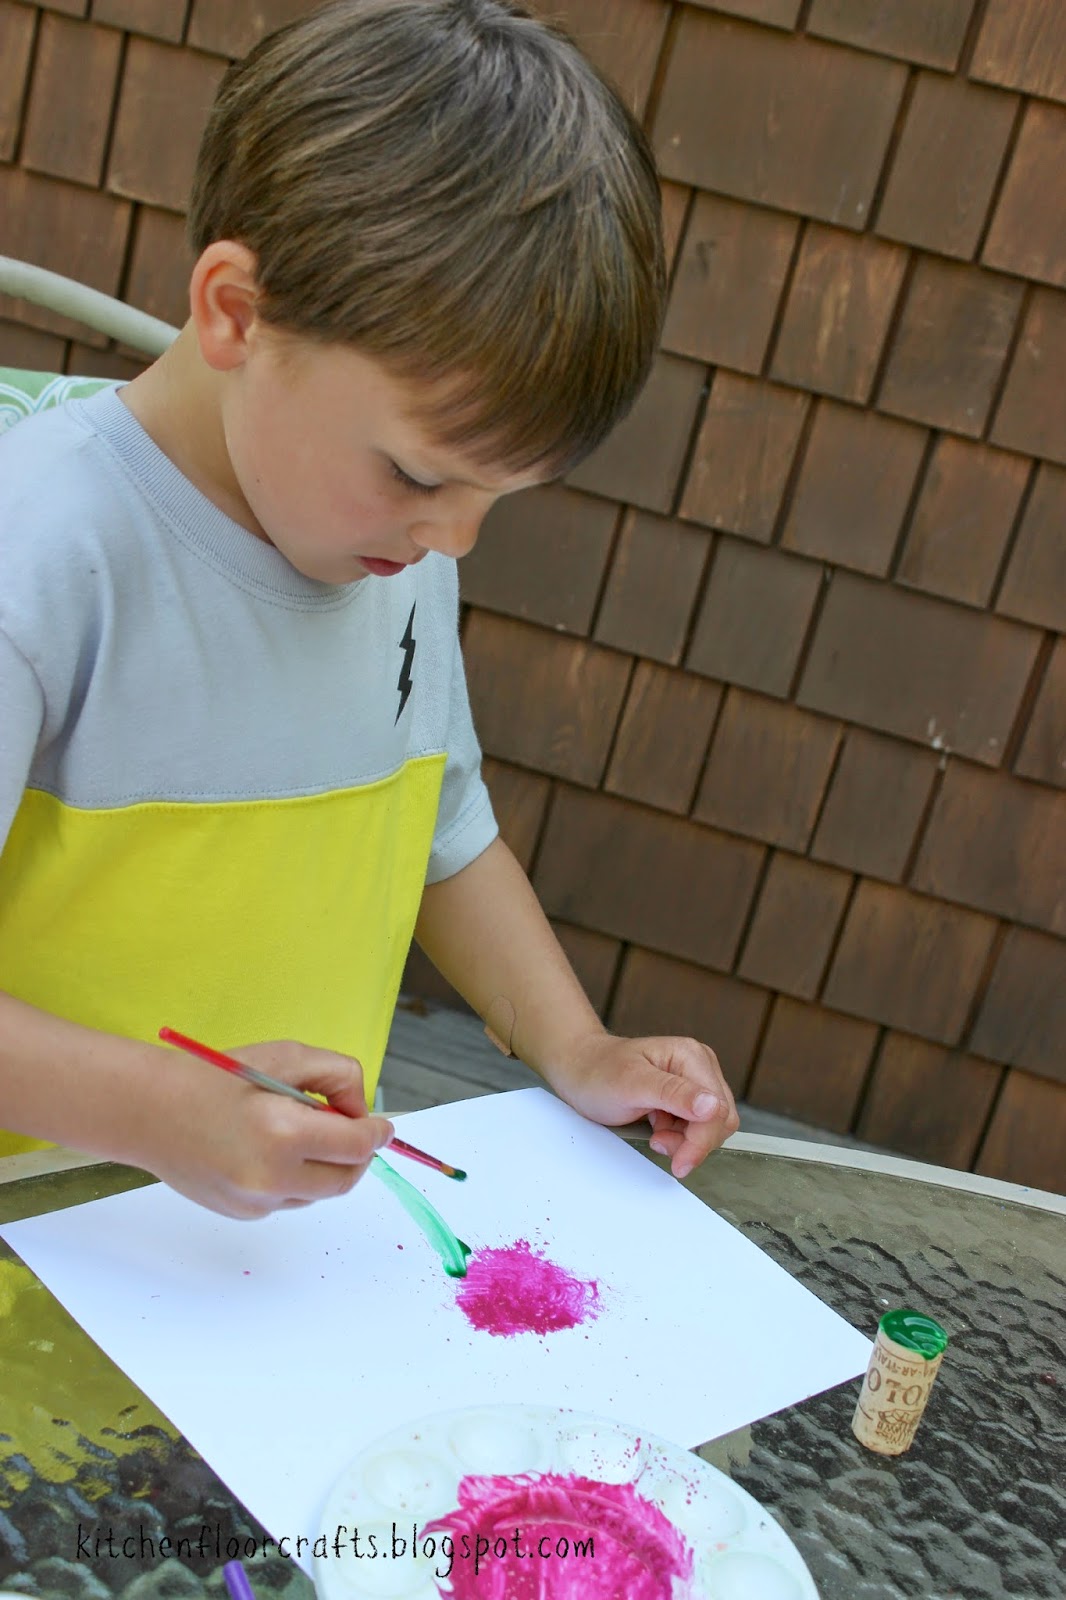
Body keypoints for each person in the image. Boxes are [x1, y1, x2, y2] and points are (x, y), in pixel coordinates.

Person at [0, 0, 737, 1219]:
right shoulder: (43, 555)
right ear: (236, 311)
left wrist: (577, 1045)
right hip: (38, 1292)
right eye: (418, 474)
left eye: (497, 498)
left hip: (285, 1284)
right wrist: (155, 1113)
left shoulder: (386, 552)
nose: (453, 538)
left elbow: (440, 822)